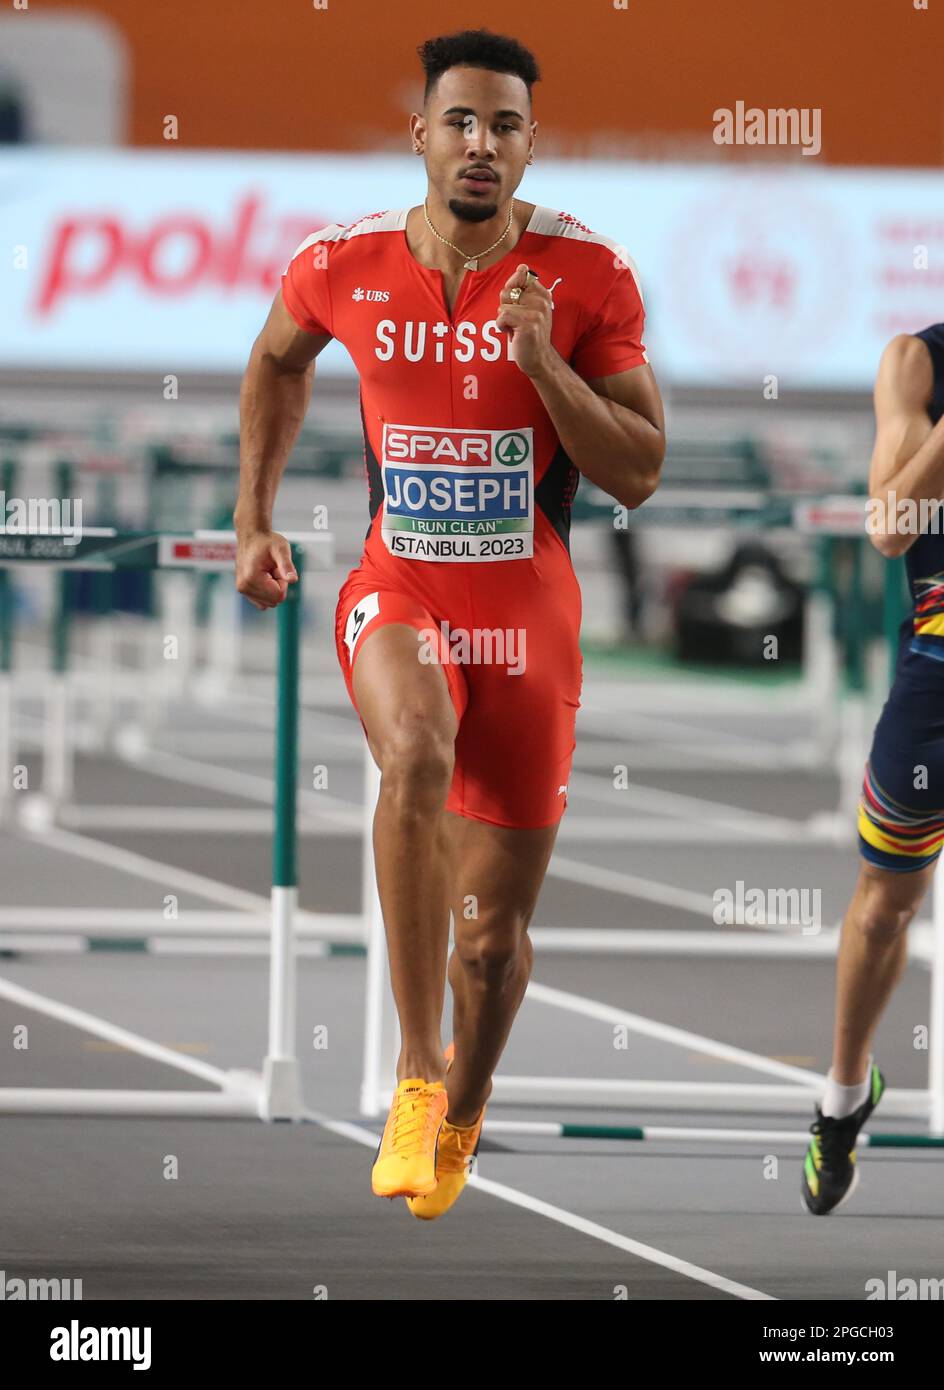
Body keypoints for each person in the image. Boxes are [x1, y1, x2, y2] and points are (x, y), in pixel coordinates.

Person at [235, 27, 665, 1219]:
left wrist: (544, 363)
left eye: (506, 126)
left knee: (493, 944)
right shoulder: (343, 260)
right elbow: (275, 360)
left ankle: (467, 1103)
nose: (482, 143)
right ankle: (415, 1076)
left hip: (527, 620)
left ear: (531, 147)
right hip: (400, 586)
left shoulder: (588, 278)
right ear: (419, 133)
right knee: (411, 754)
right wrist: (251, 518)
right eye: (461, 121)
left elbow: (637, 472)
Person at [801, 323, 944, 1214]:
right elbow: (891, 528)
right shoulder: (916, 364)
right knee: (885, 905)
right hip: (937, 676)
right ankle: (845, 1096)